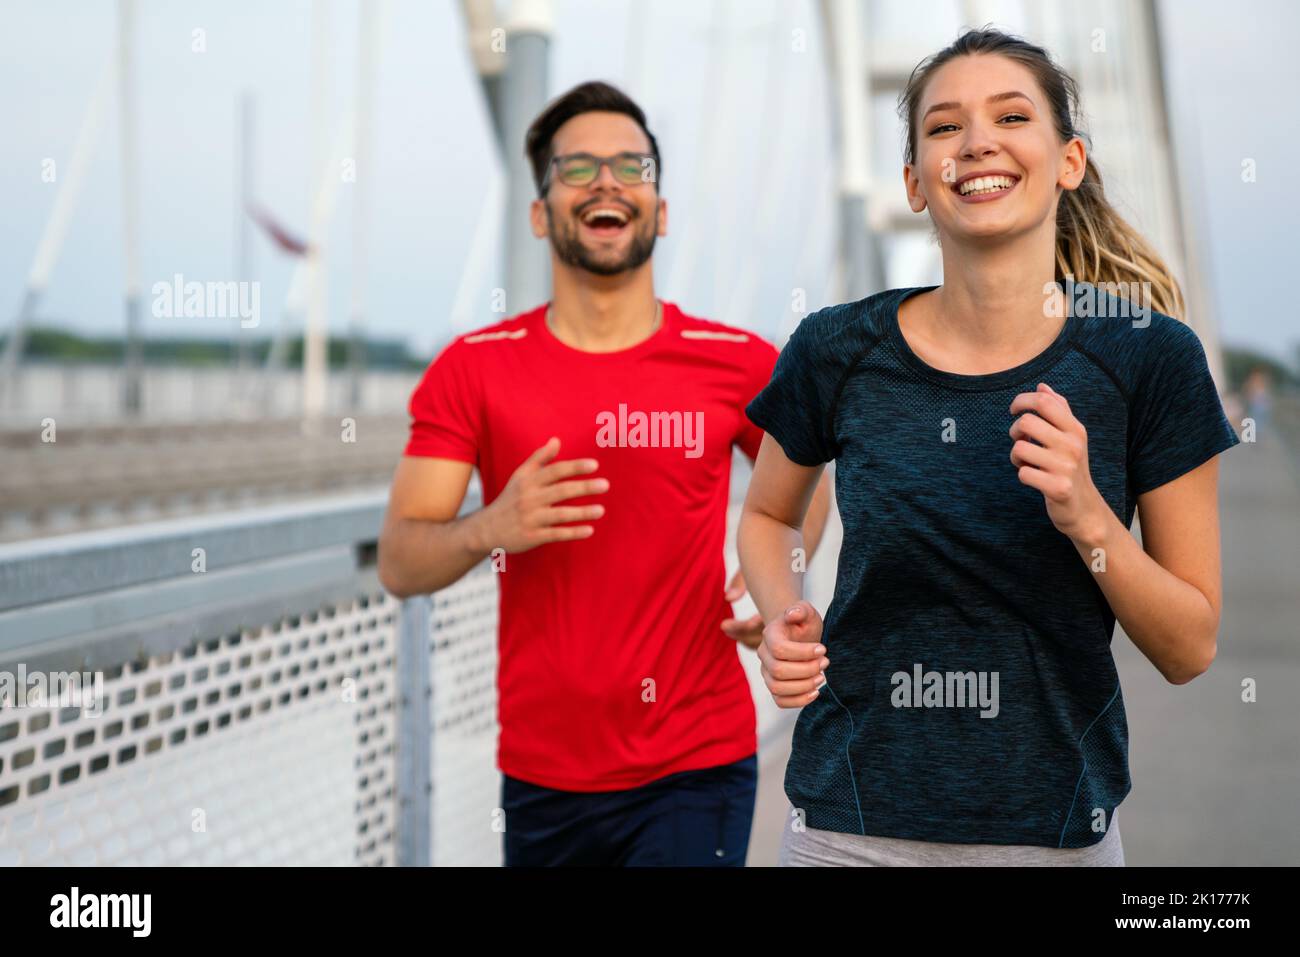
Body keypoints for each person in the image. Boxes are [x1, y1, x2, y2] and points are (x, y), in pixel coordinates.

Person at [738, 28, 1241, 867]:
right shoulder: (836, 348)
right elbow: (765, 514)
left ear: (1069, 160)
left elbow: (1189, 647)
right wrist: (783, 614)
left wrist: (1088, 518)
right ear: (912, 182)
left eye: (1011, 115)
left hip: (1054, 838)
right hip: (844, 830)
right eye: (943, 127)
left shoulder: (1150, 358)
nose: (976, 142)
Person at [378, 81, 832, 866]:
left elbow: (808, 487)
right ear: (540, 212)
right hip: (542, 774)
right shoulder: (472, 369)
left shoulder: (738, 363)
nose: (608, 183)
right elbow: (399, 560)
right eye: (578, 169)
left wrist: (778, 583)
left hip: (695, 761)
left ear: (658, 209)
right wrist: (492, 525)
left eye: (632, 166)